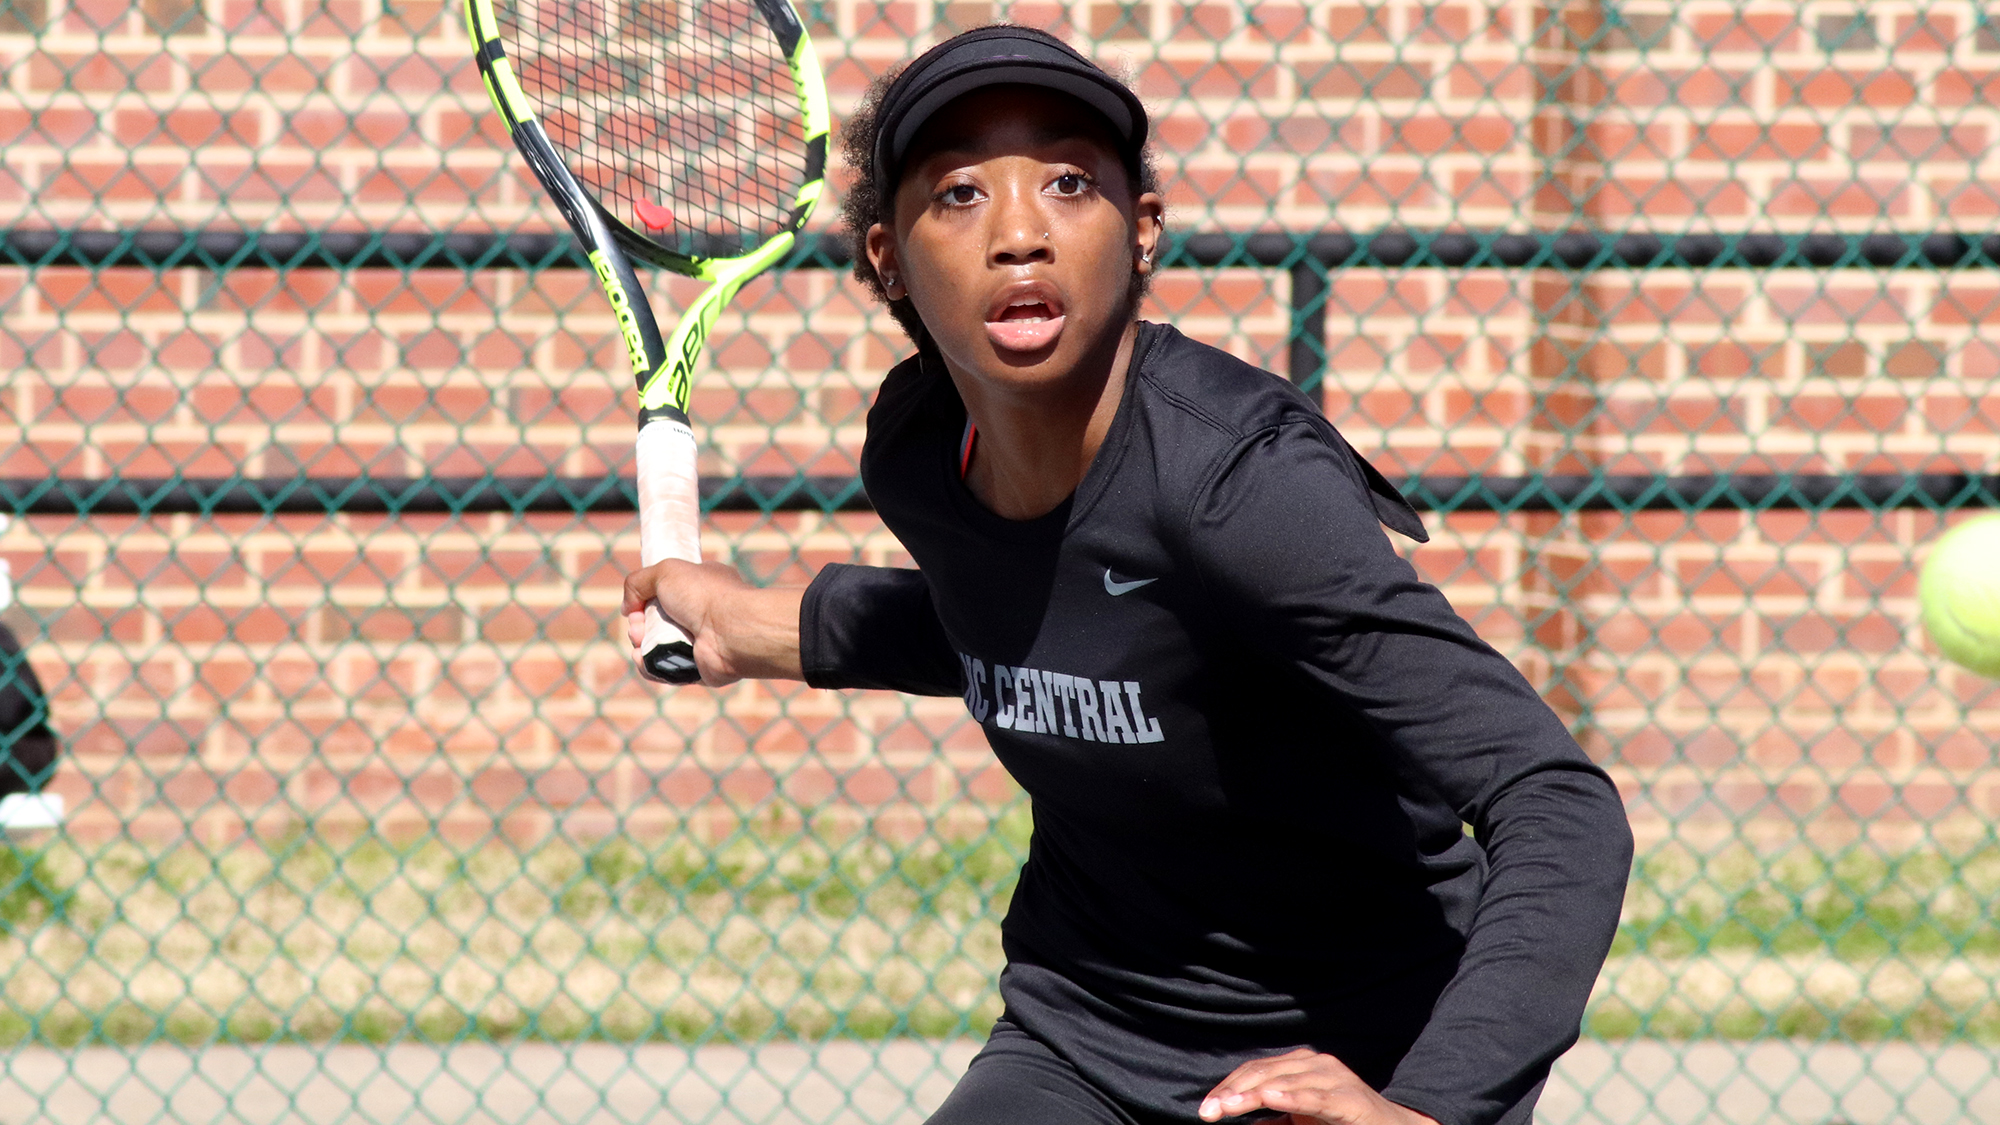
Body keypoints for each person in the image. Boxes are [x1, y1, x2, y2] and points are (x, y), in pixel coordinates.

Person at [623, 26, 1633, 1125]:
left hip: (1360, 1041)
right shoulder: (916, 453)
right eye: (958, 193)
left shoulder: (1240, 486)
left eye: (1068, 182)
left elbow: (1558, 804)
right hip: (1085, 1029)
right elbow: (1026, 621)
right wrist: (758, 626)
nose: (1019, 232)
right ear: (887, 258)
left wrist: (1428, 1108)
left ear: (1141, 231)